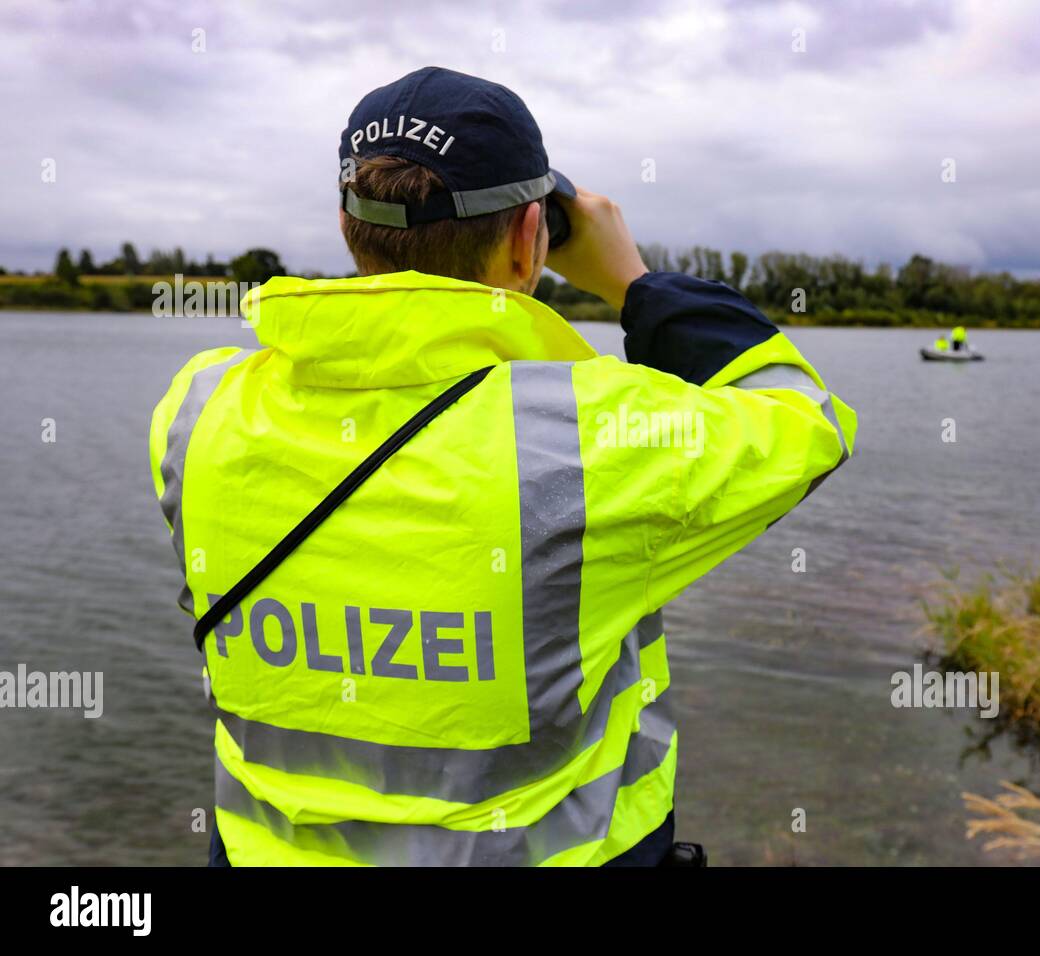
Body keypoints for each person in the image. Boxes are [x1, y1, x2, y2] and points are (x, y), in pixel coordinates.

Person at [149, 66, 856, 867]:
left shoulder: (197, 410)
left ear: (350, 226)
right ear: (529, 239)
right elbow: (804, 418)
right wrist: (637, 285)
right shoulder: (598, 440)